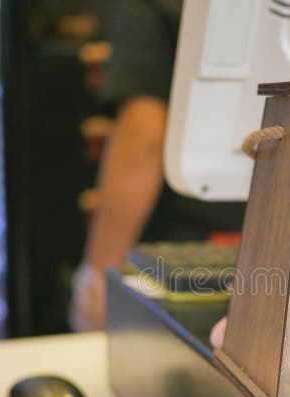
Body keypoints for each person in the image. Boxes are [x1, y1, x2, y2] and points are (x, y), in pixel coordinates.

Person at [70, 0, 244, 331]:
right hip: (278, 250)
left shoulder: (148, 6)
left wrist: (98, 276)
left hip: (179, 257)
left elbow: (144, 137)